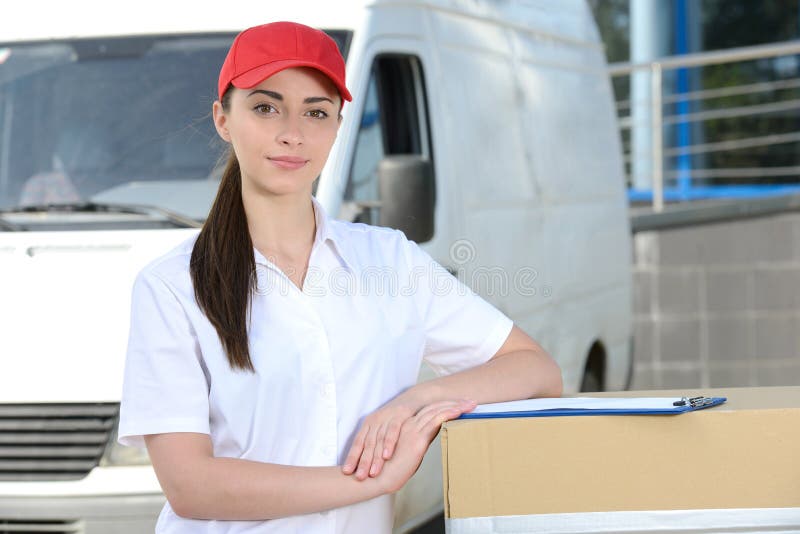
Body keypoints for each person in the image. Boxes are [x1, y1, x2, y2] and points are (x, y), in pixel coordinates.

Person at [117, 21, 562, 533]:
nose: (293, 132)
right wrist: (369, 481)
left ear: (337, 125)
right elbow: (191, 486)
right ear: (223, 118)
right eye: (266, 107)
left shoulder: (389, 261)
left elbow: (535, 370)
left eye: (316, 112)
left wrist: (416, 401)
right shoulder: (172, 286)